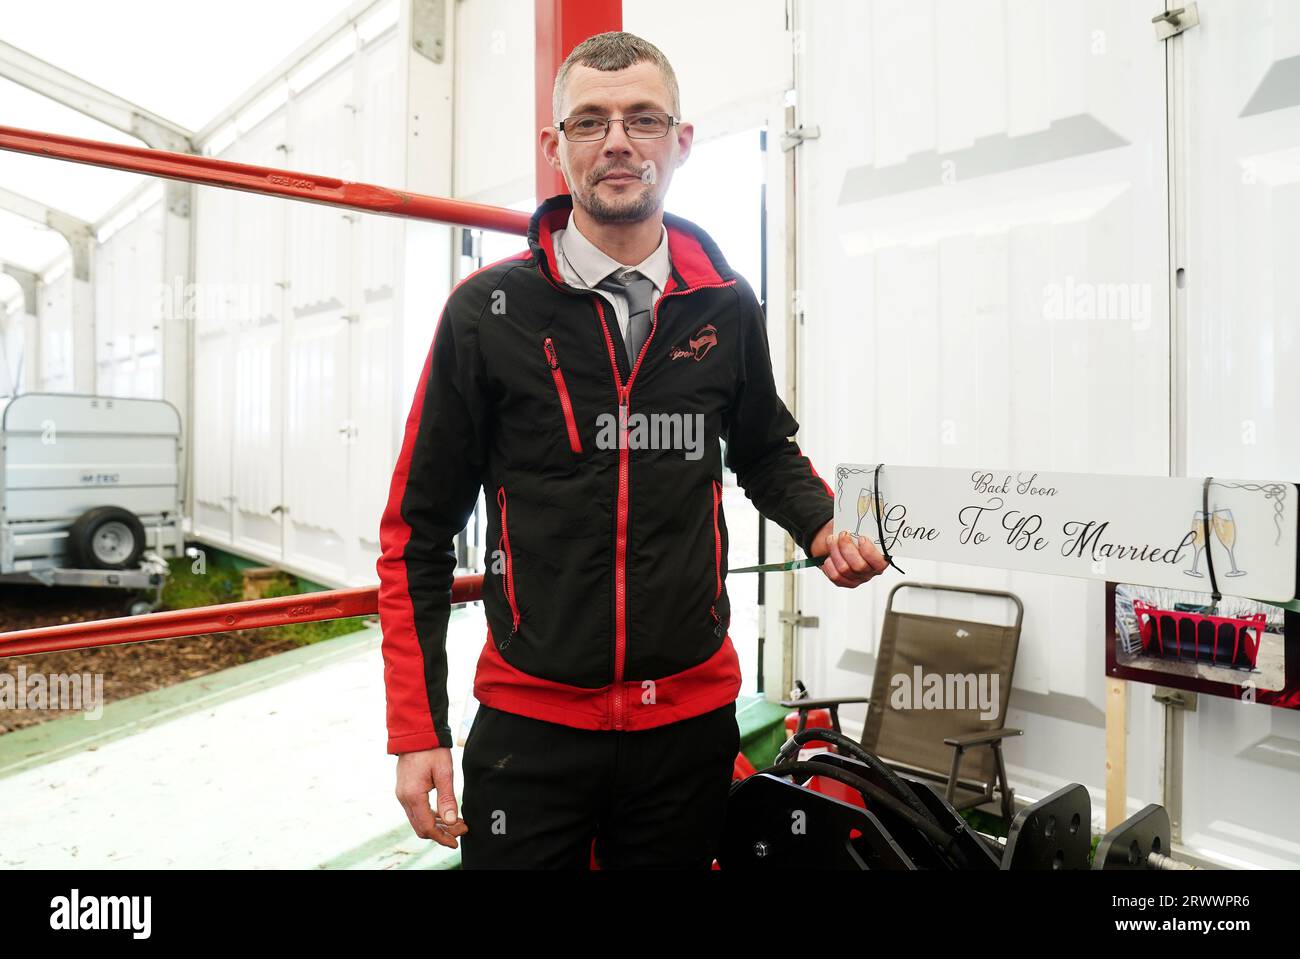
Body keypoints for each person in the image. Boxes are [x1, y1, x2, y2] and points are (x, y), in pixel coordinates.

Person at [376, 30, 886, 869]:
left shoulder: (725, 306)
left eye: (643, 119)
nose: (617, 141)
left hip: (684, 729)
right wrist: (417, 727)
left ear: (680, 144)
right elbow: (416, 534)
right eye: (590, 122)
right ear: (556, 147)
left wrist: (822, 525)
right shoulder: (487, 315)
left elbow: (763, 450)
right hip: (530, 733)